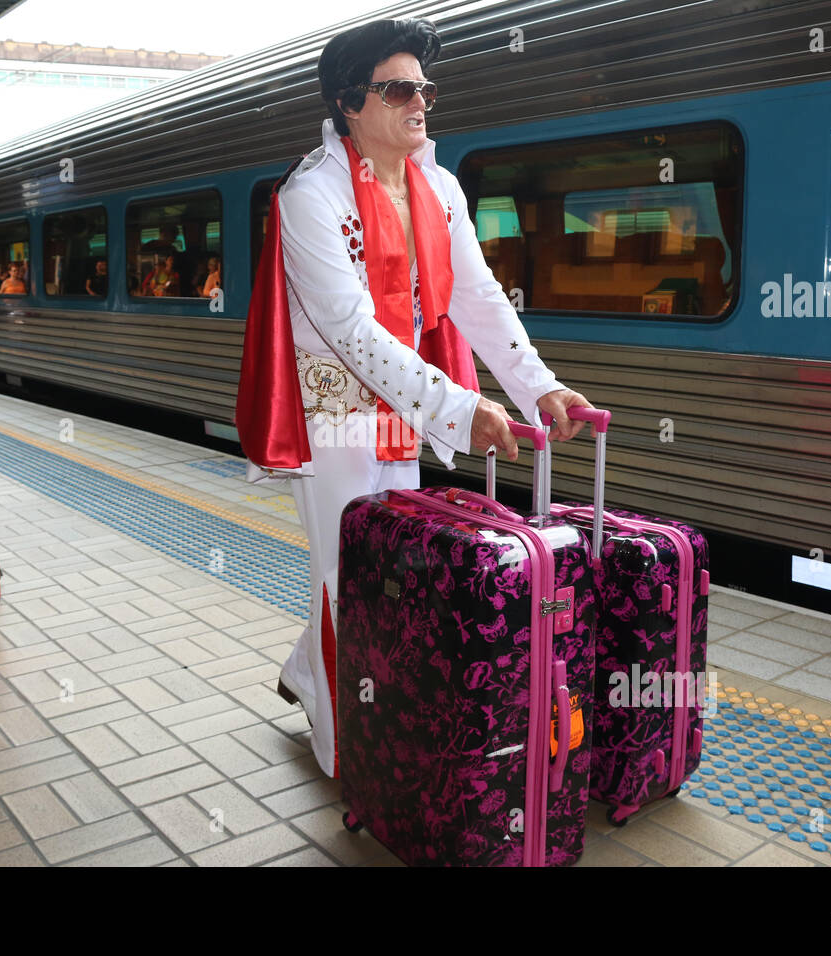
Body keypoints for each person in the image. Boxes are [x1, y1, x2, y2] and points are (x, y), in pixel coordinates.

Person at [235, 18, 592, 778]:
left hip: (404, 414)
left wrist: (540, 388)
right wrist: (462, 410)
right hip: (334, 419)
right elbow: (350, 332)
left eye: (424, 87)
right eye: (399, 88)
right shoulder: (311, 195)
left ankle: (310, 674)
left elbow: (478, 298)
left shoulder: (440, 186)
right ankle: (347, 761)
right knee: (347, 579)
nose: (419, 101)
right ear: (350, 103)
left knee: (385, 571)